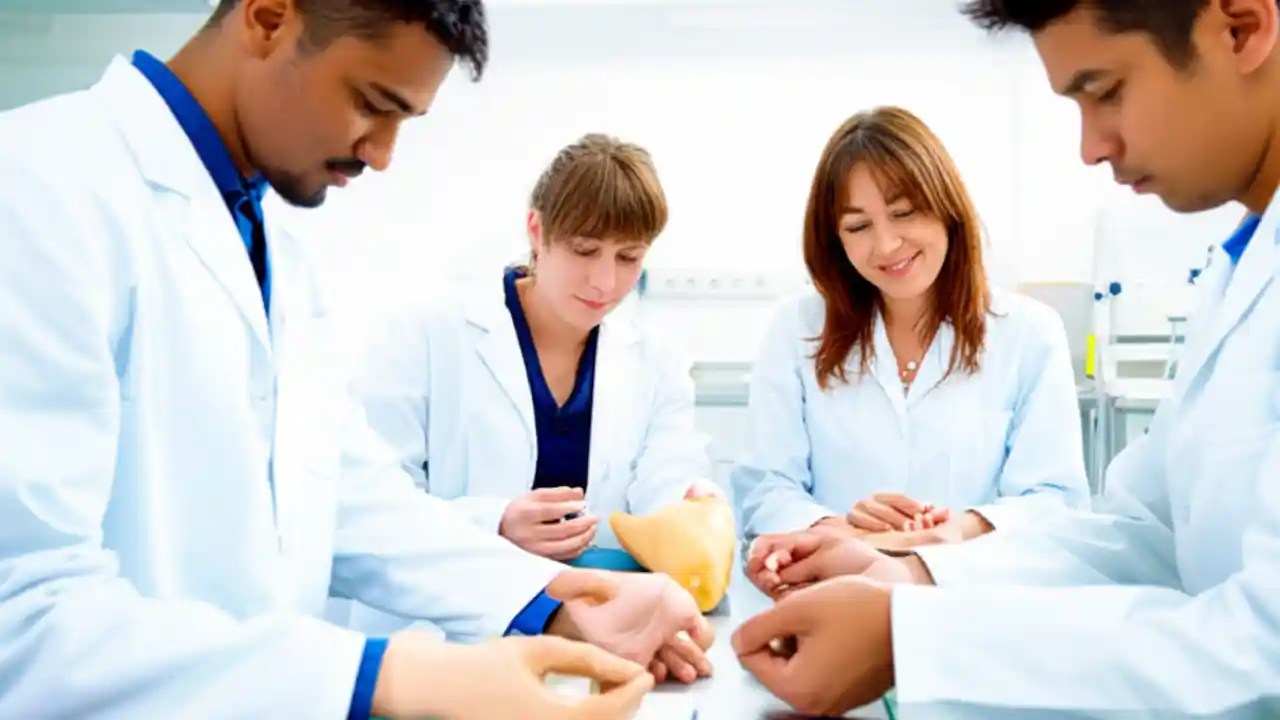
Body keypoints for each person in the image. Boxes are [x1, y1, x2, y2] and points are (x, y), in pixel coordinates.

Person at [0, 1, 714, 718]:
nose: (382, 154)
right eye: (374, 104)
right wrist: (389, 678)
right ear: (269, 18)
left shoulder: (271, 227)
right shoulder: (37, 186)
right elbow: (20, 611)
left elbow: (341, 493)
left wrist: (552, 603)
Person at [733, 0, 1280, 716]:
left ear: (1241, 28)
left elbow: (1263, 649)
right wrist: (907, 576)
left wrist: (912, 633)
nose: (1089, 146)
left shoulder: (1025, 330)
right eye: (858, 226)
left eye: (1106, 90)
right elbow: (1136, 537)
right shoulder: (1238, 273)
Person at [341, 133, 725, 683]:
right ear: (537, 231)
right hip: (441, 640)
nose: (605, 281)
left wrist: (694, 509)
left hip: (591, 626)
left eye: (629, 257)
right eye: (585, 251)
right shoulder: (424, 335)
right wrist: (493, 522)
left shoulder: (656, 358)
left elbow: (662, 489)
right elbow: (369, 505)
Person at [732, 105, 1088, 559]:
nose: (886, 245)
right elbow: (766, 488)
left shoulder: (1028, 332)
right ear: (834, 239)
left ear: (947, 209)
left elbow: (1056, 499)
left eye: (903, 213)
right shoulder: (797, 328)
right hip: (835, 587)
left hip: (973, 589)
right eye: (858, 226)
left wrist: (954, 532)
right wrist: (842, 532)